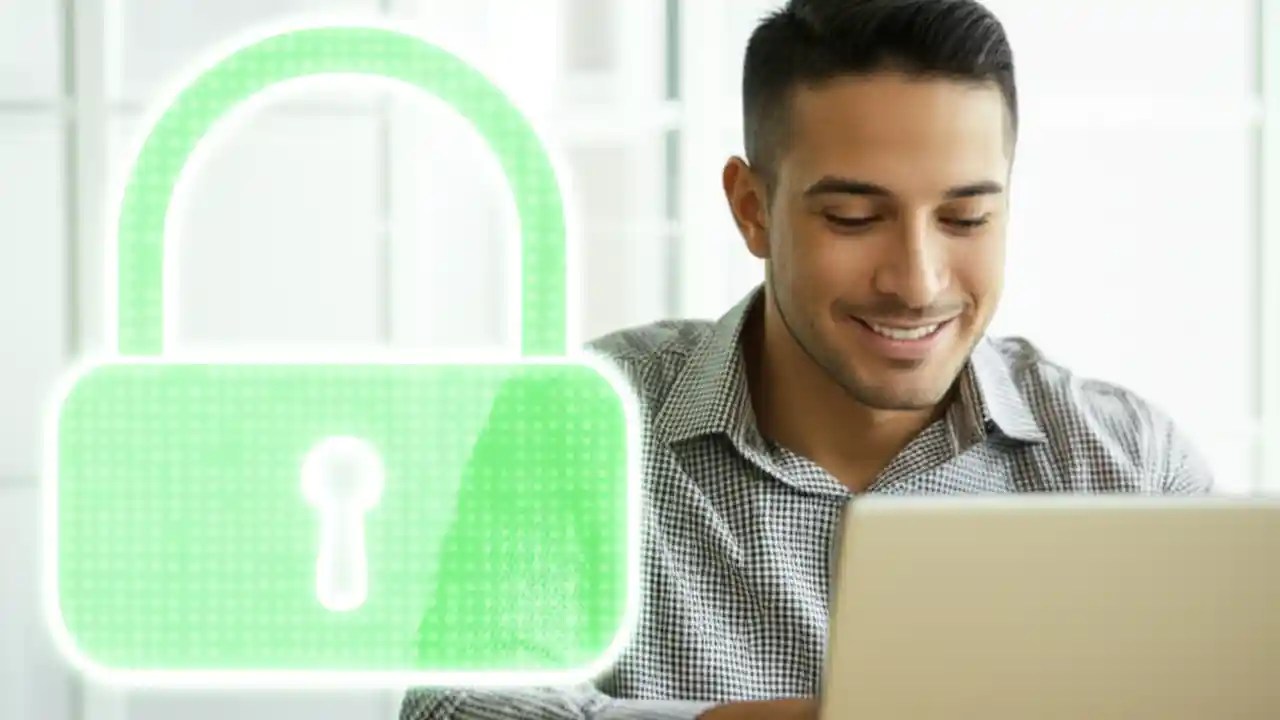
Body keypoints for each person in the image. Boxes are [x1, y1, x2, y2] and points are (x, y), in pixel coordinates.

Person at [402, 0, 1214, 717]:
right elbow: (458, 706)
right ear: (752, 210)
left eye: (966, 219)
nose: (917, 282)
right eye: (856, 217)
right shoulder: (587, 422)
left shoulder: (1129, 464)